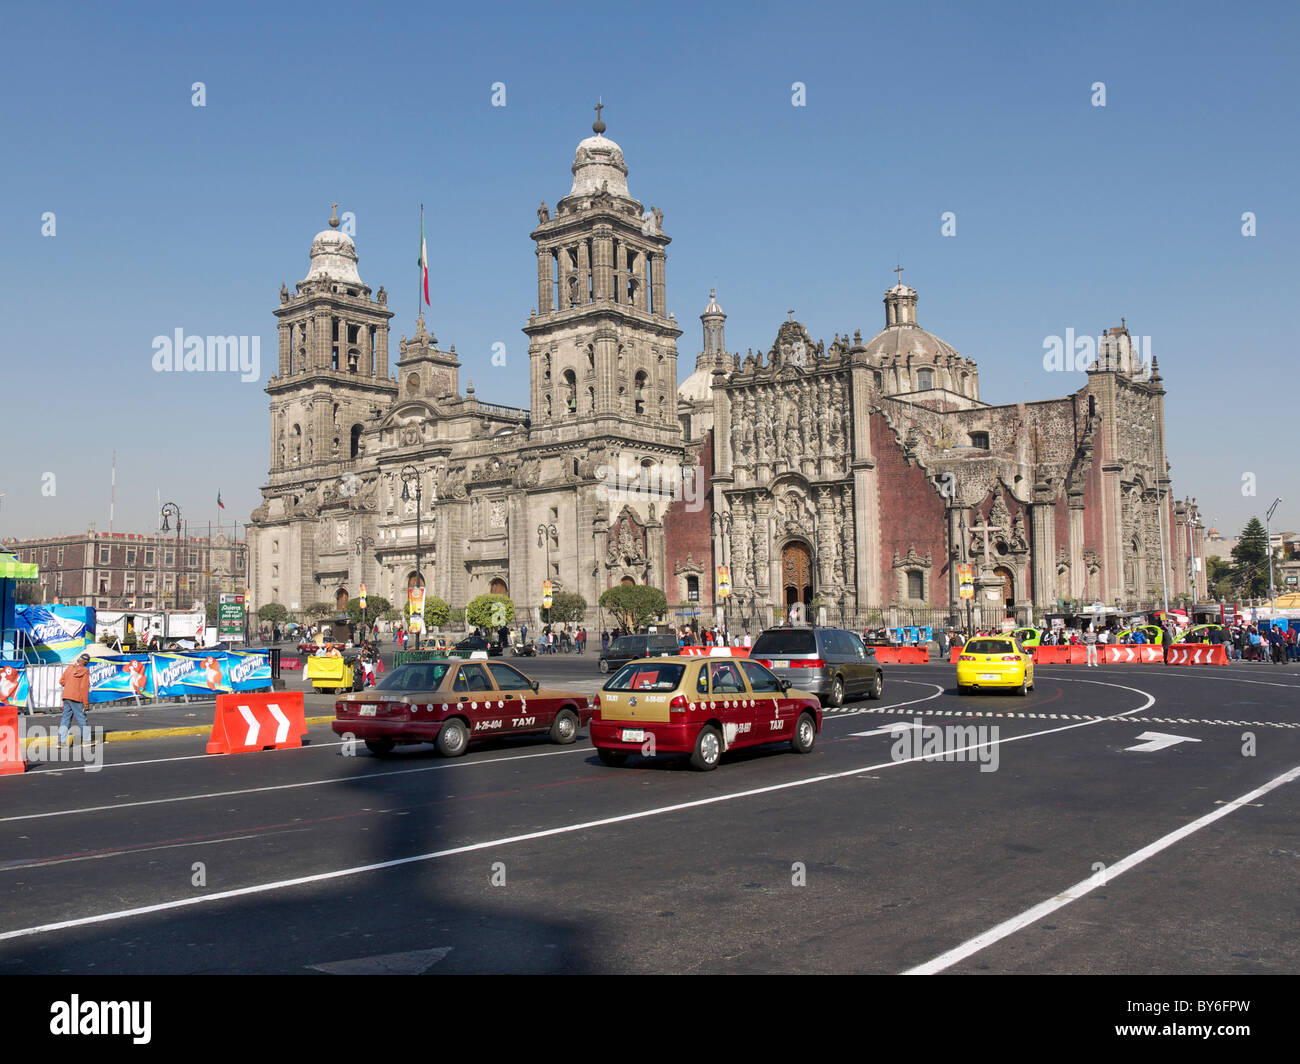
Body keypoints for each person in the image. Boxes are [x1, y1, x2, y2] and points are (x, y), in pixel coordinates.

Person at [59, 652, 93, 746]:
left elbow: (61, 681)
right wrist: (86, 703)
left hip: (66, 696)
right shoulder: (85, 671)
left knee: (65, 719)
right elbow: (84, 687)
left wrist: (70, 685)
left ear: (79, 660)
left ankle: (61, 742)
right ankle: (86, 740)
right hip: (77, 697)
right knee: (82, 718)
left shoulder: (70, 668)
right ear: (86, 662)